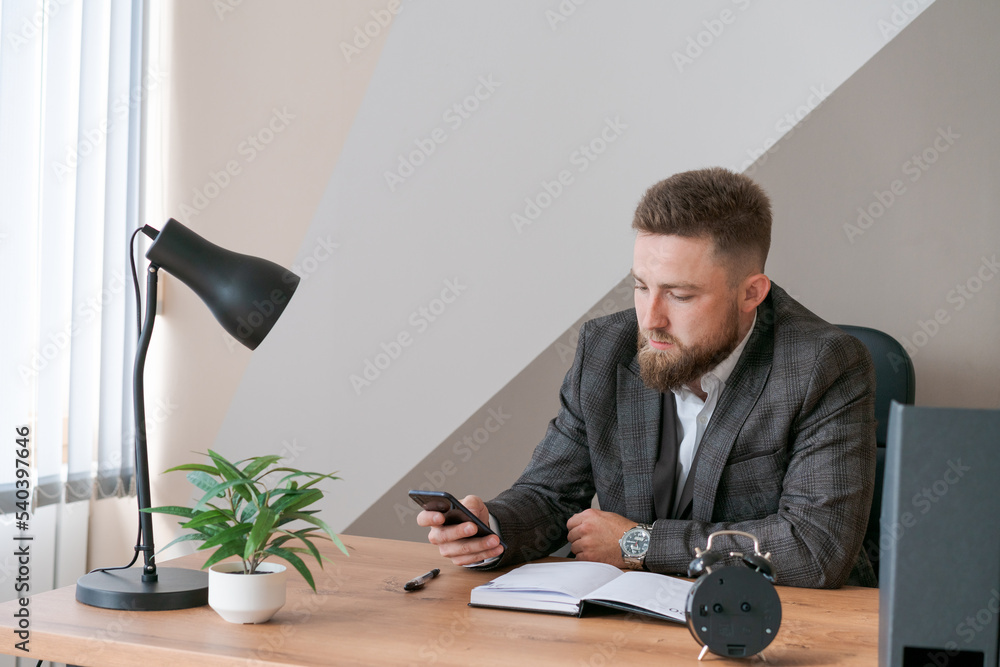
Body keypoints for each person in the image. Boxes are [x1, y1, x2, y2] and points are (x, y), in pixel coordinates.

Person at [418, 167, 877, 588]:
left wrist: (639, 544)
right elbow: (550, 494)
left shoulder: (824, 364)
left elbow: (817, 546)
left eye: (679, 295)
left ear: (751, 293)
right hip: (632, 622)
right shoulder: (605, 348)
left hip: (772, 623)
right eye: (640, 287)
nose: (650, 319)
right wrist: (490, 528)